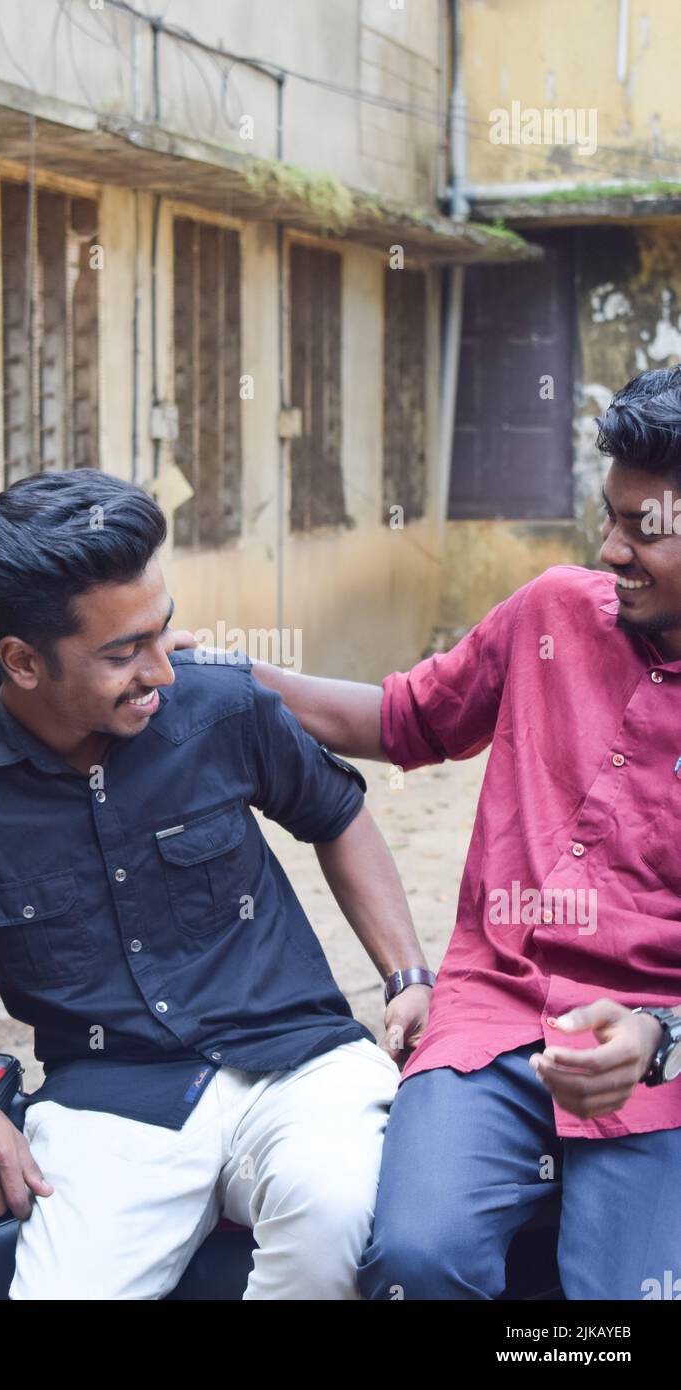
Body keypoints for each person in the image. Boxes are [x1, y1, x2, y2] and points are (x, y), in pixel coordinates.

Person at [0, 469, 427, 1301]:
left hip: (301, 1066)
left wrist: (407, 975)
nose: (165, 670)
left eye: (163, 632)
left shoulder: (225, 709)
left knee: (335, 1216)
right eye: (123, 653)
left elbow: (336, 814)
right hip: (109, 1102)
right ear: (23, 661)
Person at [245, 367, 681, 1301]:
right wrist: (233, 677)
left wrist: (660, 1034)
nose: (610, 550)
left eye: (643, 529)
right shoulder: (551, 615)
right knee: (414, 1259)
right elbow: (400, 720)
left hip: (658, 1059)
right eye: (606, 517)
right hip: (495, 1016)